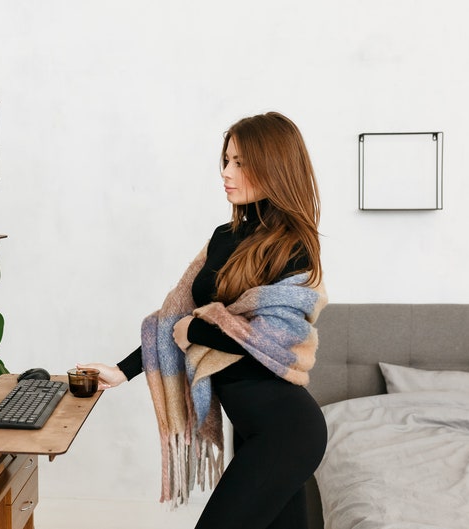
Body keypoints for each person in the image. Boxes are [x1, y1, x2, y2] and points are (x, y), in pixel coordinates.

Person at [80, 111, 328, 529]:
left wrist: (195, 329)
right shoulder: (223, 238)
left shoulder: (292, 247)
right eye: (226, 160)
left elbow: (274, 338)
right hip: (251, 429)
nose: (227, 173)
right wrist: (122, 371)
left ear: (275, 167)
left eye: (241, 163)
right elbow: (172, 318)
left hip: (288, 431)